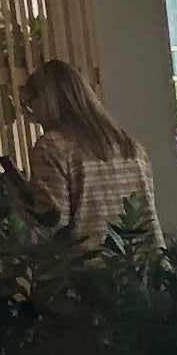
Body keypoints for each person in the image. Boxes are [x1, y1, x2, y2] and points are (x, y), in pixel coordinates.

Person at [17, 59, 158, 249]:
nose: (32, 114)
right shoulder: (130, 146)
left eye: (30, 103)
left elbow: (53, 227)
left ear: (45, 99)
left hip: (89, 269)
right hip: (142, 265)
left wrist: (20, 200)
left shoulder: (53, 147)